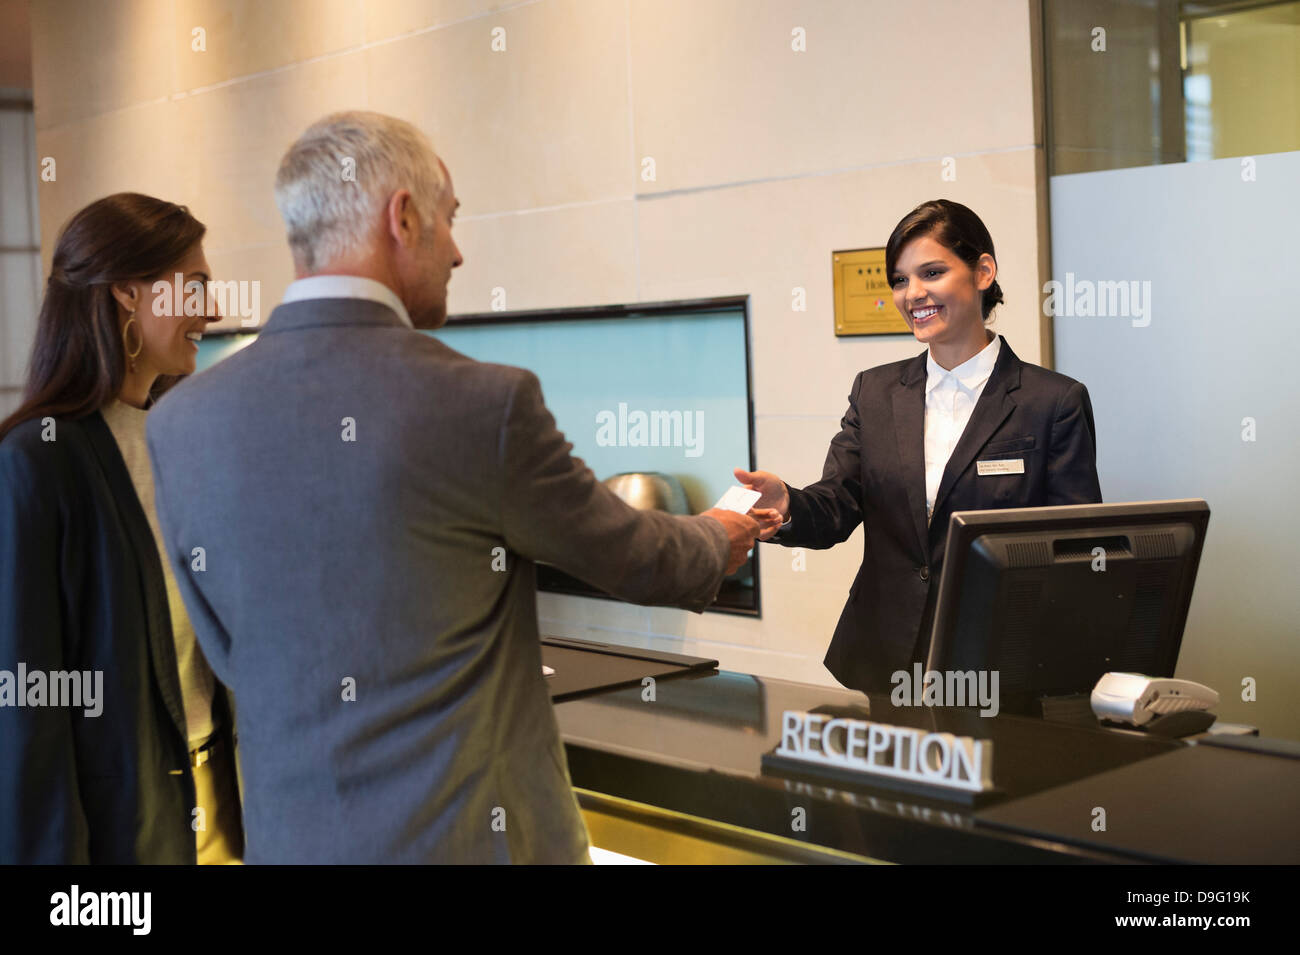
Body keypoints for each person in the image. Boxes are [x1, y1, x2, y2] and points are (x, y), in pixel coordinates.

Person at [144, 111, 771, 864]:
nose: (460, 251)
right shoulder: (483, 403)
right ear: (402, 218)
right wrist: (718, 535)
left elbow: (223, 643)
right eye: (450, 219)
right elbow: (631, 553)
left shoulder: (183, 419)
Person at [737, 199, 1102, 696]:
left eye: (931, 272)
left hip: (998, 664)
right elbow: (837, 506)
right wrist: (787, 503)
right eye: (900, 279)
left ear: (983, 272)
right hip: (886, 656)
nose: (913, 294)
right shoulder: (876, 392)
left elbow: (1074, 551)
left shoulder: (1053, 401)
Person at [0, 193, 243, 863]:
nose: (212, 308)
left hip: (225, 807)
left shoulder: (188, 442)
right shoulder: (37, 461)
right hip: (125, 835)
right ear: (128, 295)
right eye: (195, 286)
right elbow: (28, 717)